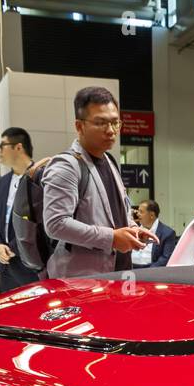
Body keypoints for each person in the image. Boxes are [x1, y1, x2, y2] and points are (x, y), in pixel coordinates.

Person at [41, 86, 152, 278]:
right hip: (81, 280)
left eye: (115, 123)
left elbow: (120, 211)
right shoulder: (66, 166)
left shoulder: (109, 160)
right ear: (79, 126)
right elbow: (56, 223)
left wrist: (133, 229)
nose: (111, 131)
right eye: (100, 123)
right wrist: (112, 238)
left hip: (119, 274)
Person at [0, 127, 37, 291]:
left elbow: (42, 222)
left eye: (3, 146)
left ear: (18, 147)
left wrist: (13, 248)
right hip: (6, 266)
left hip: (32, 266)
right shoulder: (2, 182)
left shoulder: (40, 177)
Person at [133, 200, 177, 268]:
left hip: (151, 269)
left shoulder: (168, 233)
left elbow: (165, 258)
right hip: (129, 269)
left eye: (141, 212)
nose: (138, 214)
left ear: (152, 215)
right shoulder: (133, 229)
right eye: (138, 211)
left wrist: (148, 271)